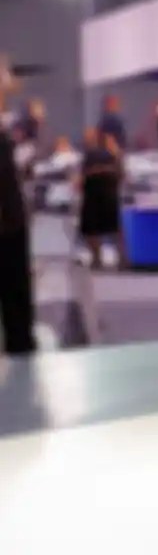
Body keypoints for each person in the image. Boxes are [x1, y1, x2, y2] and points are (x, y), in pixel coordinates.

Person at [0, 54, 35, 354]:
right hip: (8, 221)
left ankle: (20, 343)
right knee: (15, 291)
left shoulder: (8, 128)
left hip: (11, 220)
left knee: (17, 296)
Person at [78, 127, 125, 270]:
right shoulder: (96, 154)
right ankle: (101, 258)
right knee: (102, 229)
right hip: (98, 194)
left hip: (102, 193)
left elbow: (119, 173)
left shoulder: (107, 153)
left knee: (107, 228)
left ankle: (115, 258)